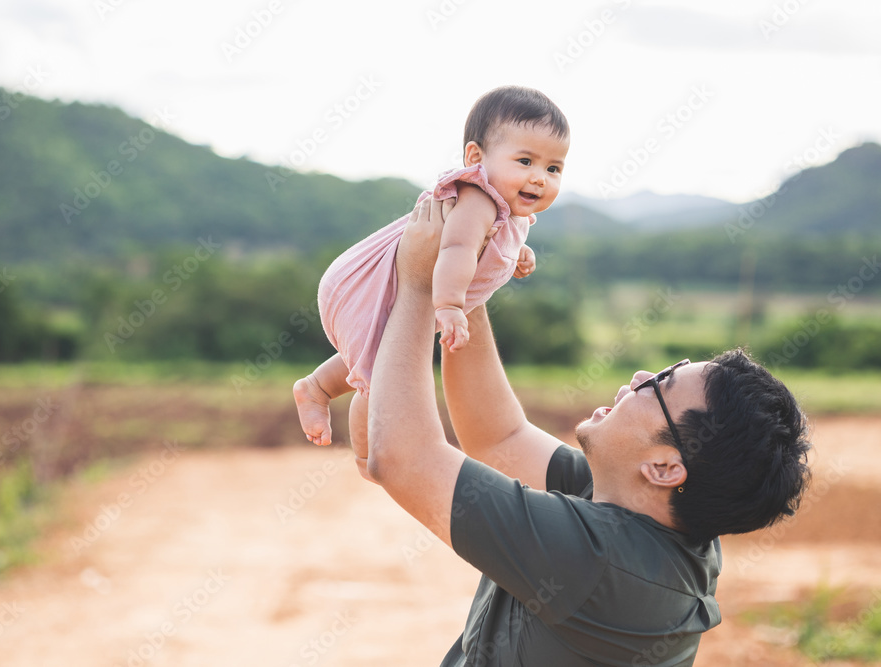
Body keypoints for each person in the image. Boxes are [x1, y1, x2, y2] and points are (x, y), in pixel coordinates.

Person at [363, 197, 812, 666]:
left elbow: (403, 460)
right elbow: (499, 439)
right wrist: (466, 287)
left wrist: (420, 282)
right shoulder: (648, 510)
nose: (640, 377)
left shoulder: (602, 563)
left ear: (664, 467)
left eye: (660, 385)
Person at [293, 86, 570, 463]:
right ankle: (369, 454)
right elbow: (457, 249)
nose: (540, 178)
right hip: (377, 286)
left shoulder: (507, 210)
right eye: (525, 161)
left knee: (378, 356)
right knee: (382, 378)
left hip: (391, 291)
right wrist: (451, 306)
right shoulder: (479, 200)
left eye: (553, 168)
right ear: (476, 157)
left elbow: (490, 243)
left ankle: (317, 388)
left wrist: (516, 254)